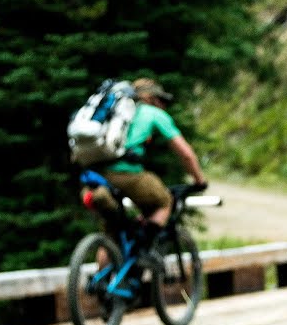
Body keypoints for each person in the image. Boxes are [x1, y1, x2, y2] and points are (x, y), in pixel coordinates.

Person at [87, 77, 207, 253]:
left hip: (95, 175)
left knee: (111, 235)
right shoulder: (152, 113)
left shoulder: (114, 112)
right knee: (165, 201)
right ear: (151, 98)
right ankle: (141, 251)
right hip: (126, 174)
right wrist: (199, 180)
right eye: (161, 100)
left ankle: (107, 271)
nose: (163, 105)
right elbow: (186, 154)